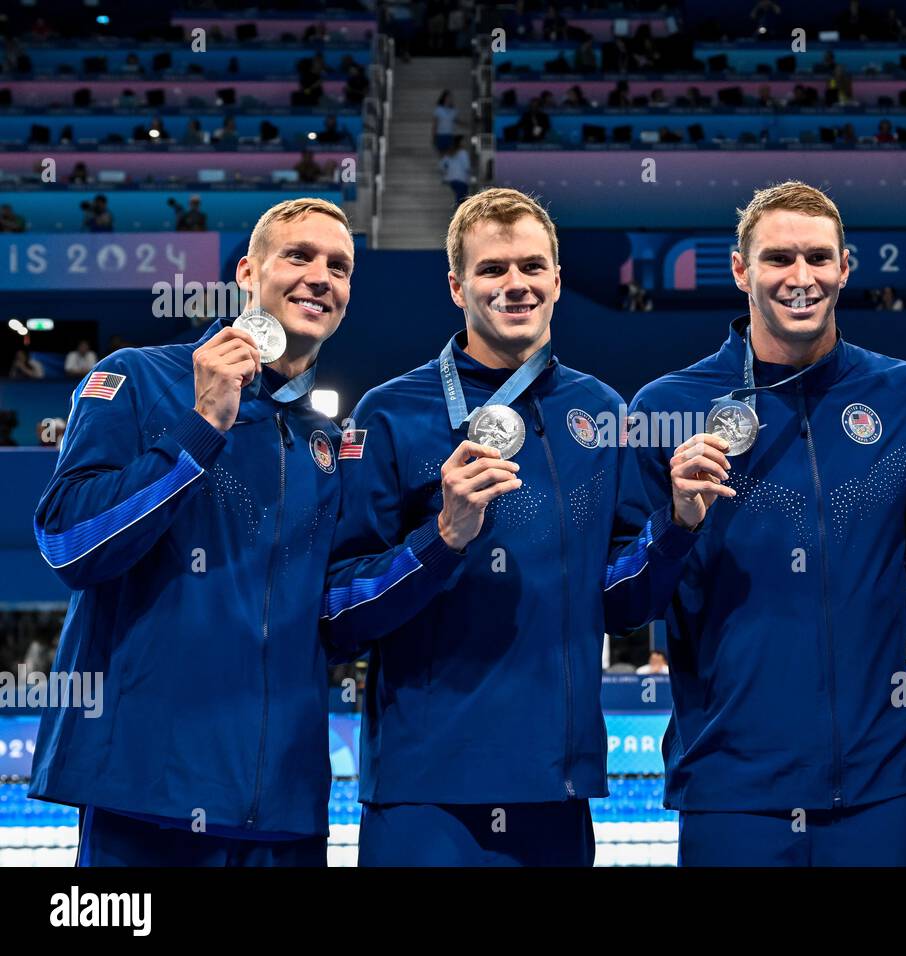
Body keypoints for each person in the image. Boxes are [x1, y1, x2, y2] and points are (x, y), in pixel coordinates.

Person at [321, 188, 687, 865]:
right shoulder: (392, 412)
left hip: (556, 781)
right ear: (458, 286)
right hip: (423, 788)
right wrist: (443, 537)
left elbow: (624, 603)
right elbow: (340, 613)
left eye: (530, 267)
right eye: (492, 270)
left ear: (556, 278)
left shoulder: (600, 410)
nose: (514, 284)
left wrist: (679, 527)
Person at [611, 181, 906, 866]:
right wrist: (675, 525)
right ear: (740, 270)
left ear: (846, 267)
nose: (801, 278)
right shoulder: (666, 407)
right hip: (732, 794)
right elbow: (620, 603)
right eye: (778, 259)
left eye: (819, 258)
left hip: (878, 793)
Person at [29, 198, 356, 866]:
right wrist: (201, 426)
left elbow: (335, 608)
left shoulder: (327, 440)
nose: (321, 275)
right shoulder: (141, 378)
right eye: (299, 255)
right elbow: (68, 543)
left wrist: (442, 535)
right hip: (147, 795)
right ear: (246, 272)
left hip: (282, 806)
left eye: (340, 266)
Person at [440, 136, 471, 205]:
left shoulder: (449, 153)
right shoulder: (463, 153)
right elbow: (467, 167)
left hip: (452, 180)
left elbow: (442, 166)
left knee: (459, 199)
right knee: (462, 201)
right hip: (461, 180)